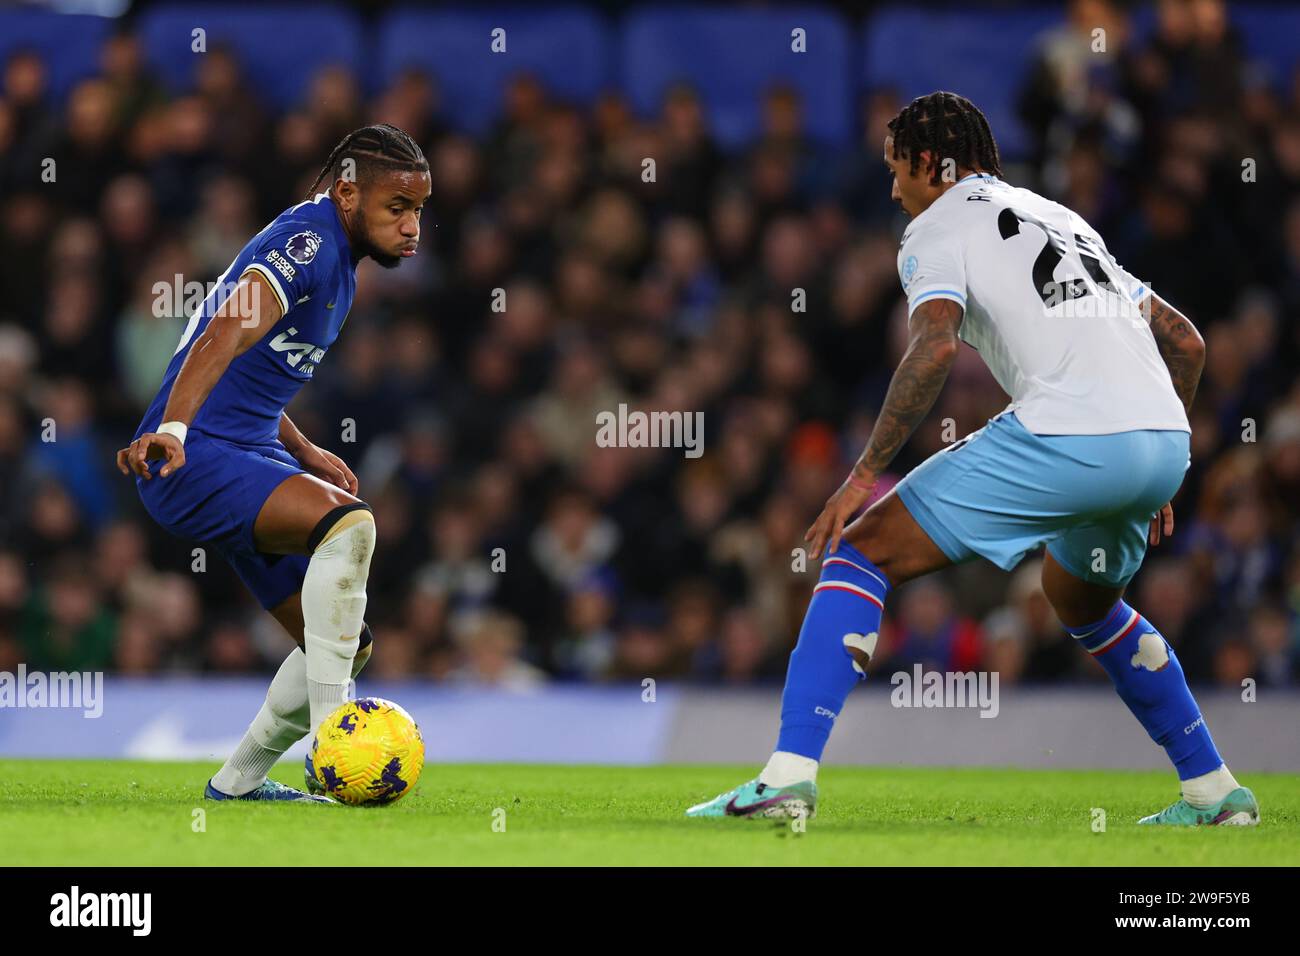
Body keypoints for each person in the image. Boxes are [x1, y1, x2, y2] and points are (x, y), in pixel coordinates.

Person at [687, 92, 1258, 827]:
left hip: (1072, 431)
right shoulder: (1061, 217)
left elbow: (934, 346)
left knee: (860, 554)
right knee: (1082, 600)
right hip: (1160, 442)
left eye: (897, 171)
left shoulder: (939, 225)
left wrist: (860, 477)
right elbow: (1186, 342)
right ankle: (1214, 793)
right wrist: (1156, 459)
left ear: (931, 163)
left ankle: (786, 777)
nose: (894, 191)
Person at [116, 124, 431, 802]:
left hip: (242, 447)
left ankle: (236, 785)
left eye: (419, 212)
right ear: (349, 193)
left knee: (342, 645)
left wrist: (303, 448)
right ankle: (332, 750)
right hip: (194, 455)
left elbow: (249, 364)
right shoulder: (309, 245)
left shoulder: (337, 257)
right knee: (352, 528)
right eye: (398, 209)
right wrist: (173, 427)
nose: (412, 229)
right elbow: (224, 328)